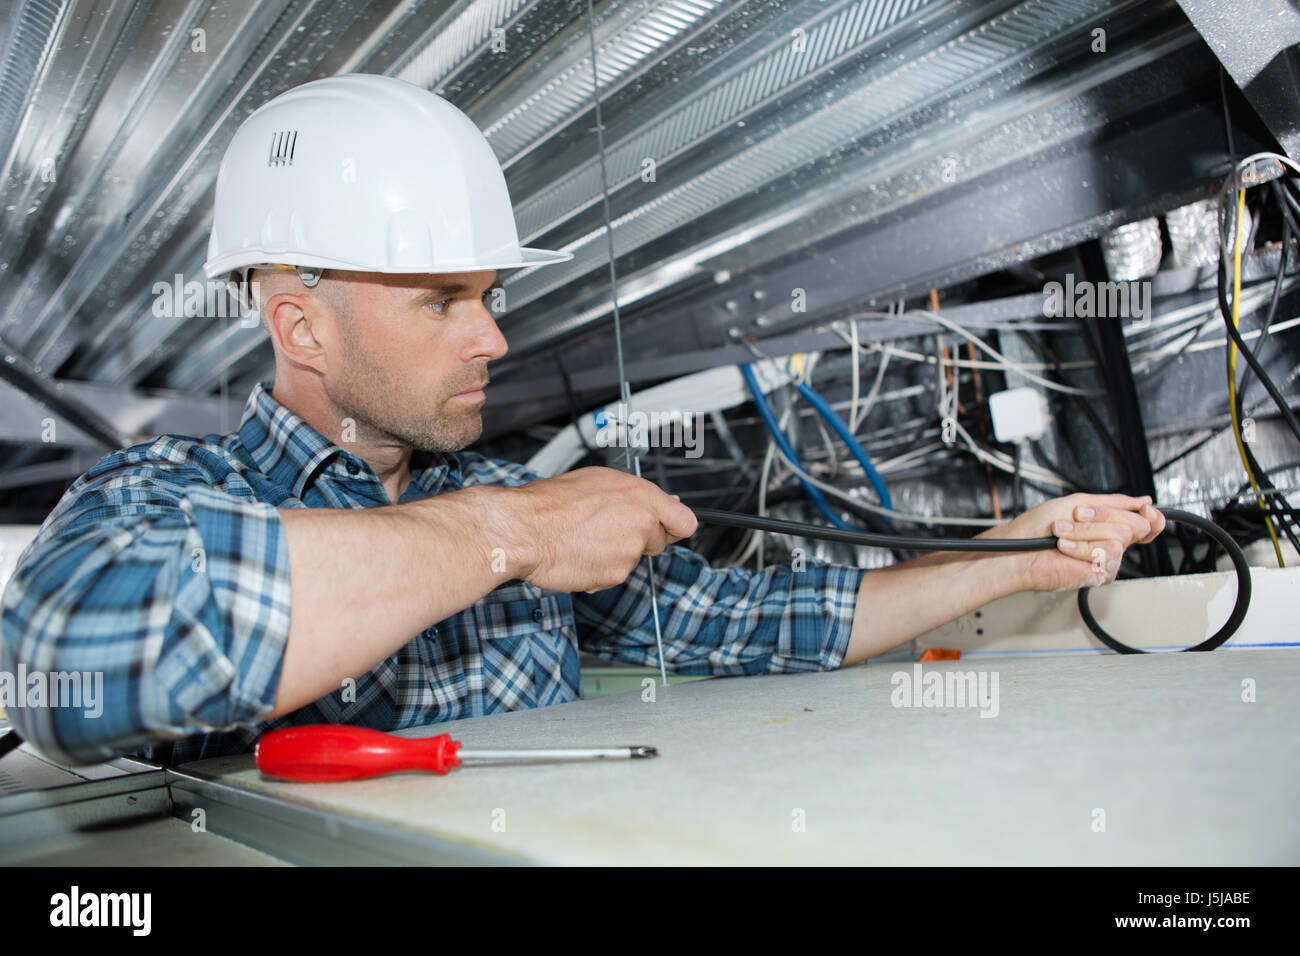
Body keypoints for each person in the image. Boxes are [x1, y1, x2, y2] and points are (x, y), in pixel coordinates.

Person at [0, 75, 1164, 765]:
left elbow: (773, 620)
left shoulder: (513, 501)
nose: (491, 339)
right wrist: (512, 535)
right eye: (444, 299)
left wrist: (1010, 549)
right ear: (302, 326)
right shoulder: (168, 489)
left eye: (489, 298)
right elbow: (64, 665)